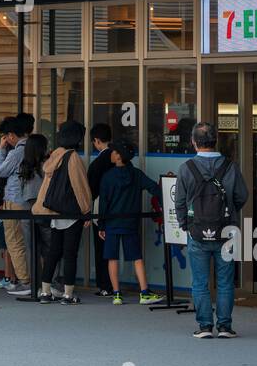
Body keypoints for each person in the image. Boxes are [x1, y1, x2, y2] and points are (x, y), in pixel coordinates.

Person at [175, 121, 248, 338]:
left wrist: (185, 225)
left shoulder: (186, 168)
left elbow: (179, 201)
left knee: (200, 281)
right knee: (225, 281)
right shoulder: (230, 166)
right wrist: (230, 214)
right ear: (215, 141)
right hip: (225, 231)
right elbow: (242, 196)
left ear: (194, 142)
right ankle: (225, 326)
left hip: (197, 231)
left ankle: (205, 326)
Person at [33, 121, 93, 306]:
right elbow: (79, 185)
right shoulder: (73, 157)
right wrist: (86, 211)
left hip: (54, 212)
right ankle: (68, 294)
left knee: (53, 253)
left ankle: (45, 291)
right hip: (71, 213)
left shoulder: (54, 156)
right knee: (70, 254)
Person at [97, 140, 163, 305]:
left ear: (119, 156)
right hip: (131, 222)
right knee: (136, 257)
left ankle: (117, 294)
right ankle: (144, 292)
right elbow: (154, 188)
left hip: (112, 222)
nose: (111, 154)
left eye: (113, 151)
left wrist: (101, 224)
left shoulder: (107, 177)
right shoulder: (136, 174)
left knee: (112, 258)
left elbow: (103, 203)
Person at [0, 116, 33, 296]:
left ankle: (25, 280)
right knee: (31, 241)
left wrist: (1, 151)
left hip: (14, 200)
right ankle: (37, 279)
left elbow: (1, 171)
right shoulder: (36, 147)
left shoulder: (16, 152)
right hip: (30, 201)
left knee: (15, 242)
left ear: (10, 135)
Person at [87, 123, 114, 296]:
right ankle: (114, 284)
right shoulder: (120, 158)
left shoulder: (97, 163)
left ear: (97, 141)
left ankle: (105, 285)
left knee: (101, 247)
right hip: (120, 208)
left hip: (101, 208)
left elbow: (91, 189)